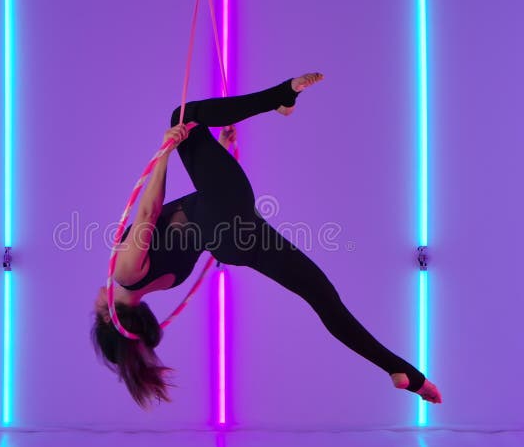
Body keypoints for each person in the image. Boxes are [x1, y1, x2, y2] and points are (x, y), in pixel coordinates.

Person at [91, 73, 443, 408]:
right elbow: (148, 212)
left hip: (233, 241)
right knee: (183, 116)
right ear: (109, 318)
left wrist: (220, 152)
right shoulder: (125, 272)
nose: (93, 304)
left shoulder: (165, 284)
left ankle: (403, 373)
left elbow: (198, 224)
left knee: (322, 296)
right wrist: (165, 151)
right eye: (95, 314)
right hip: (225, 216)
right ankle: (281, 96)